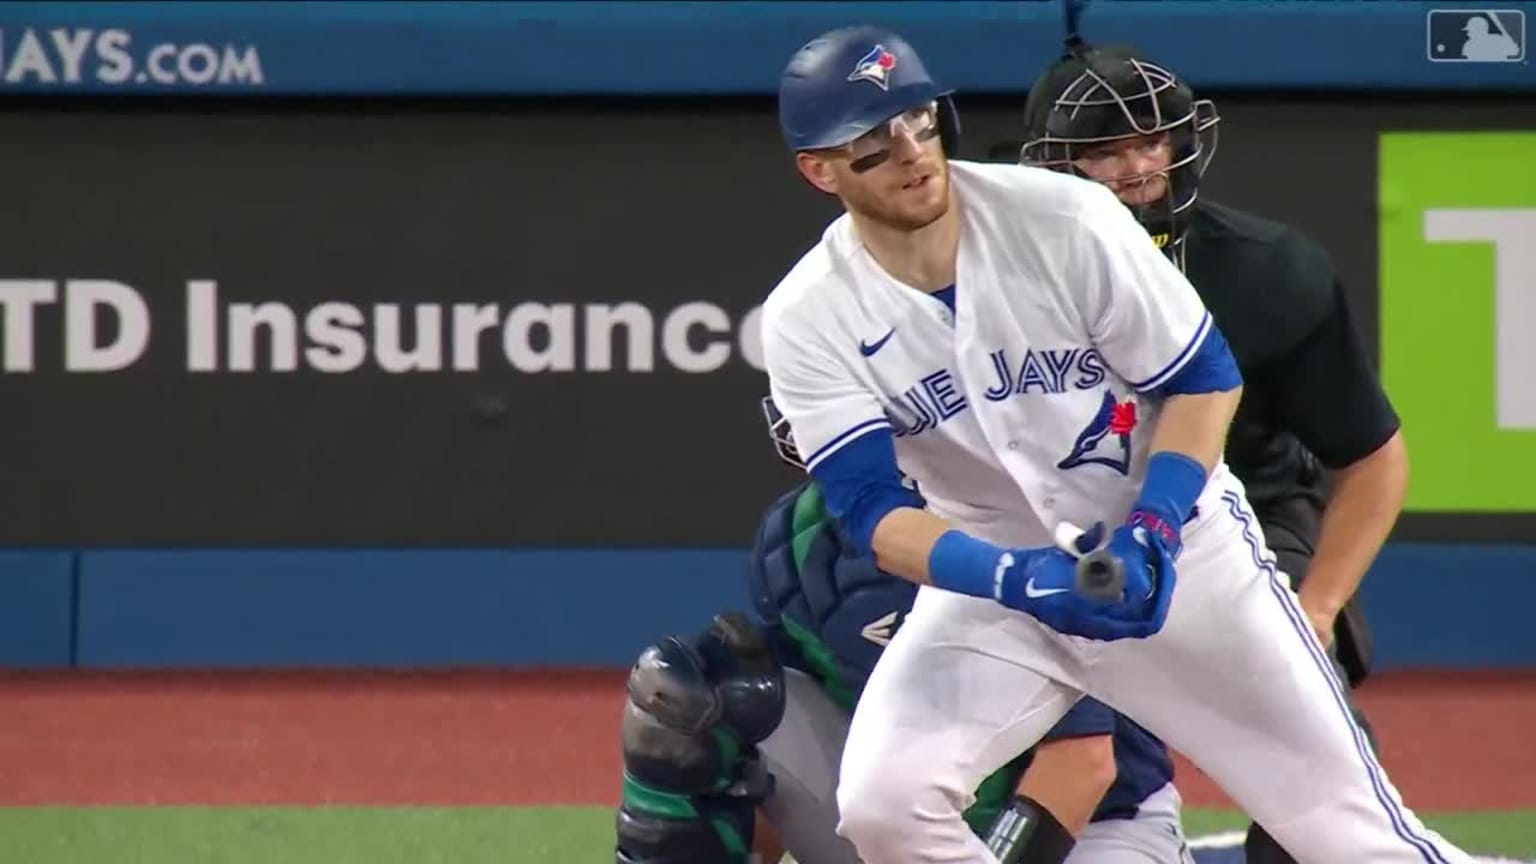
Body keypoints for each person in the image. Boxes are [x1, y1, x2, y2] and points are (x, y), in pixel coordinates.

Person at [760, 22, 1467, 864]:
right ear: (819, 170)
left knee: (1350, 839)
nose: (912, 151)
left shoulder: (1063, 216)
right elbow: (873, 510)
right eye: (873, 143)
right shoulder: (808, 316)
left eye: (921, 121)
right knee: (885, 803)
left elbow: (1204, 379)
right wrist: (1010, 577)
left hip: (1186, 558)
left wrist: (1158, 525)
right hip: (995, 578)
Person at [1012, 23, 1409, 862]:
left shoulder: (1269, 274)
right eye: (1105, 150)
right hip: (1061, 529)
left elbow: (1372, 459)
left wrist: (1320, 608)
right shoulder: (994, 282)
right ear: (1048, 164)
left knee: (1318, 741)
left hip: (1252, 524)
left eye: (1151, 139)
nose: (1138, 168)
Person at [613, 397, 1196, 864]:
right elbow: (768, 744)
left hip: (1095, 829)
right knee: (702, 692)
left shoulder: (1021, 514)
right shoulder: (796, 540)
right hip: (908, 825)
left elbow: (1084, 763)